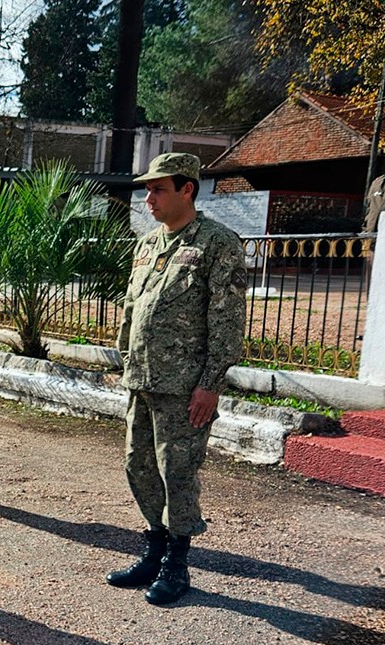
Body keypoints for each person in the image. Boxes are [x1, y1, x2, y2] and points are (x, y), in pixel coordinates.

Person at [107, 153, 247, 606]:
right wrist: (126, 360)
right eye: (147, 190)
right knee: (139, 466)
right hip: (142, 380)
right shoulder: (147, 244)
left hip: (185, 387)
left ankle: (177, 563)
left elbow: (227, 321)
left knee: (178, 473)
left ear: (187, 189)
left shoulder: (217, 243)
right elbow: (131, 309)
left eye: (158, 189)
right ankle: (154, 547)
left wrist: (211, 383)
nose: (149, 198)